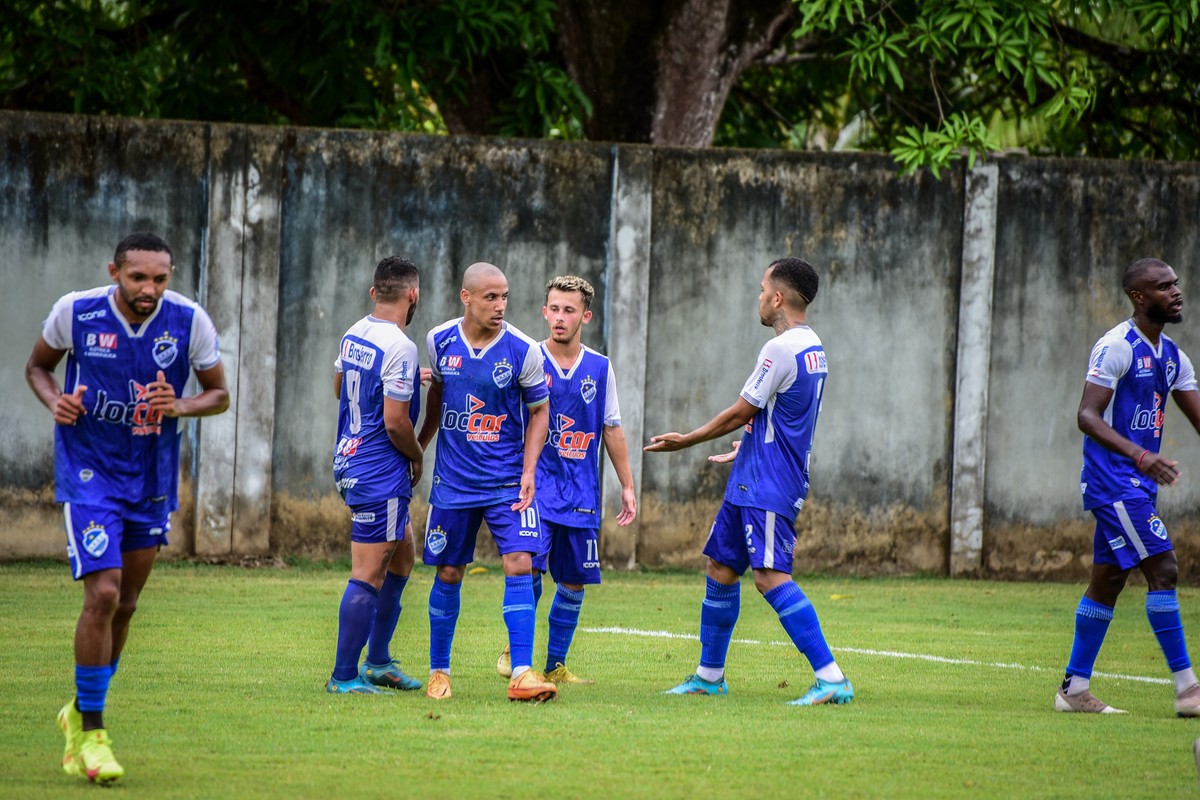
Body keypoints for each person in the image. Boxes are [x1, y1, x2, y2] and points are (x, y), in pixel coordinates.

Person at [25, 232, 230, 783]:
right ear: (114, 271)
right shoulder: (76, 312)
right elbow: (38, 367)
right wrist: (55, 401)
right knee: (104, 592)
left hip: (151, 479)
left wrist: (179, 404)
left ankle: (79, 710)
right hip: (89, 474)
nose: (149, 289)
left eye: (160, 279)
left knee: (128, 603)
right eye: (138, 277)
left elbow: (219, 394)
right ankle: (93, 733)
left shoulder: (189, 320)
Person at [644, 257, 853, 706]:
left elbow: (742, 411)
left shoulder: (780, 349)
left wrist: (687, 440)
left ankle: (832, 678)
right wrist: (751, 445)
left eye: (762, 289)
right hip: (754, 471)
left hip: (770, 481)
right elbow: (788, 415)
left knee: (770, 575)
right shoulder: (813, 345)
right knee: (721, 568)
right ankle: (709, 677)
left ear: (777, 298)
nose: (758, 298)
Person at [1056, 257, 1200, 716]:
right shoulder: (1116, 346)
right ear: (1139, 297)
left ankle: (1073, 690)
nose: (1175, 292)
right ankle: (1189, 690)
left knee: (1108, 580)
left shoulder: (1173, 357)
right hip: (1114, 482)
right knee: (1164, 568)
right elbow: (1086, 416)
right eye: (1164, 287)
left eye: (1175, 284)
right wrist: (1141, 455)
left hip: (1137, 486)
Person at [417, 262, 558, 702]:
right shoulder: (439, 340)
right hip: (453, 483)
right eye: (490, 297)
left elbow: (540, 412)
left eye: (504, 297)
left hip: (507, 482)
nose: (500, 306)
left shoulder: (523, 349)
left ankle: (522, 673)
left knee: (520, 562)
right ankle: (439, 672)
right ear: (467, 297)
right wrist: (420, 446)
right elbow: (438, 395)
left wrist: (530, 470)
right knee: (449, 571)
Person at [495, 275, 637, 684]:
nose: (559, 317)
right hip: (535, 488)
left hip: (581, 491)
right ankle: (515, 648)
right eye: (554, 309)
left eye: (569, 310)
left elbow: (612, 427)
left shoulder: (601, 367)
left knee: (574, 581)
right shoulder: (528, 357)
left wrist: (627, 486)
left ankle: (555, 665)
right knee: (527, 569)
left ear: (585, 317)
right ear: (544, 312)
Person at [327, 256, 425, 695]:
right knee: (368, 573)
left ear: (374, 293)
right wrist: (418, 456)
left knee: (402, 558)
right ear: (413, 295)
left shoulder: (355, 332)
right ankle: (344, 677)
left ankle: (379, 661)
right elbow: (395, 423)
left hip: (350, 458)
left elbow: (340, 386)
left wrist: (403, 380)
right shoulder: (401, 346)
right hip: (378, 470)